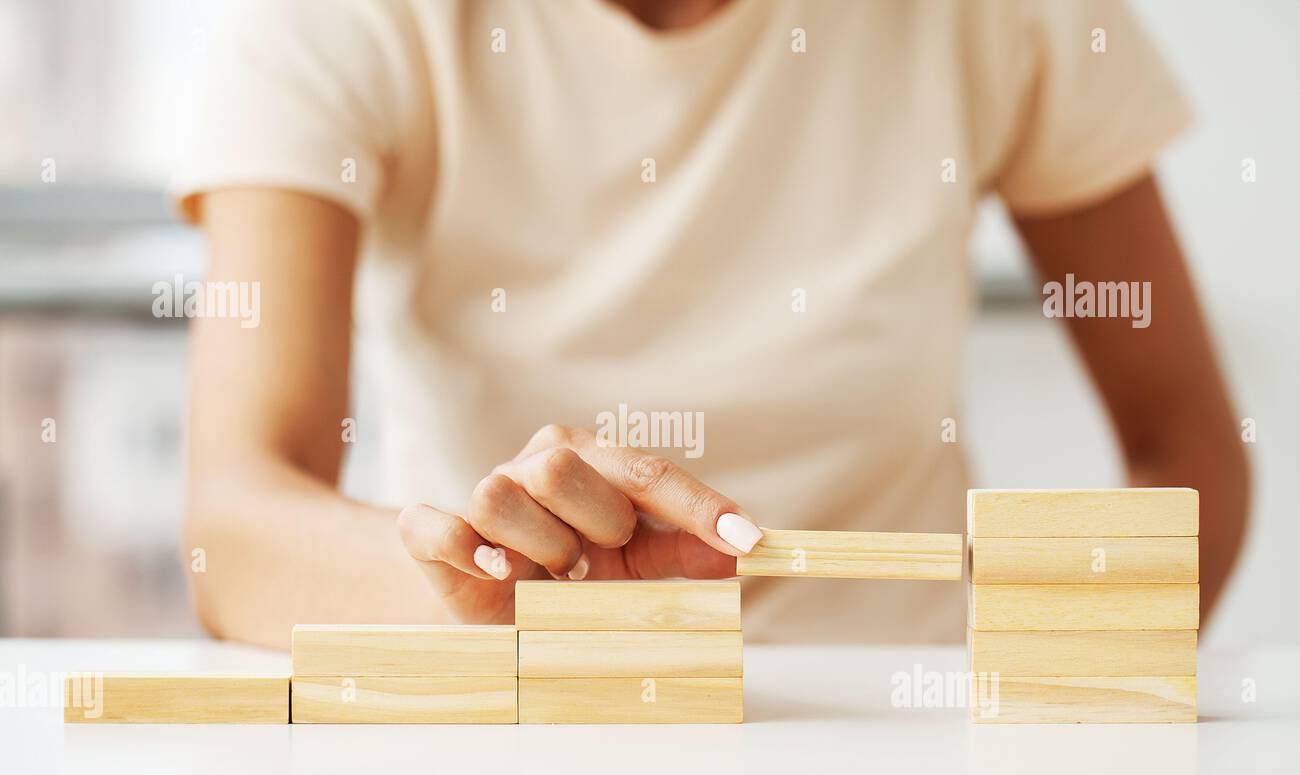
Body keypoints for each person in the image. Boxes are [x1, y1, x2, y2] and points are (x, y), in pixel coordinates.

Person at [172, 0, 1248, 648]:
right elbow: (232, 525)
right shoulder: (336, 19)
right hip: (513, 725)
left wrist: (1049, 695)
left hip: (898, 731)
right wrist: (472, 590)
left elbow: (1183, 444)